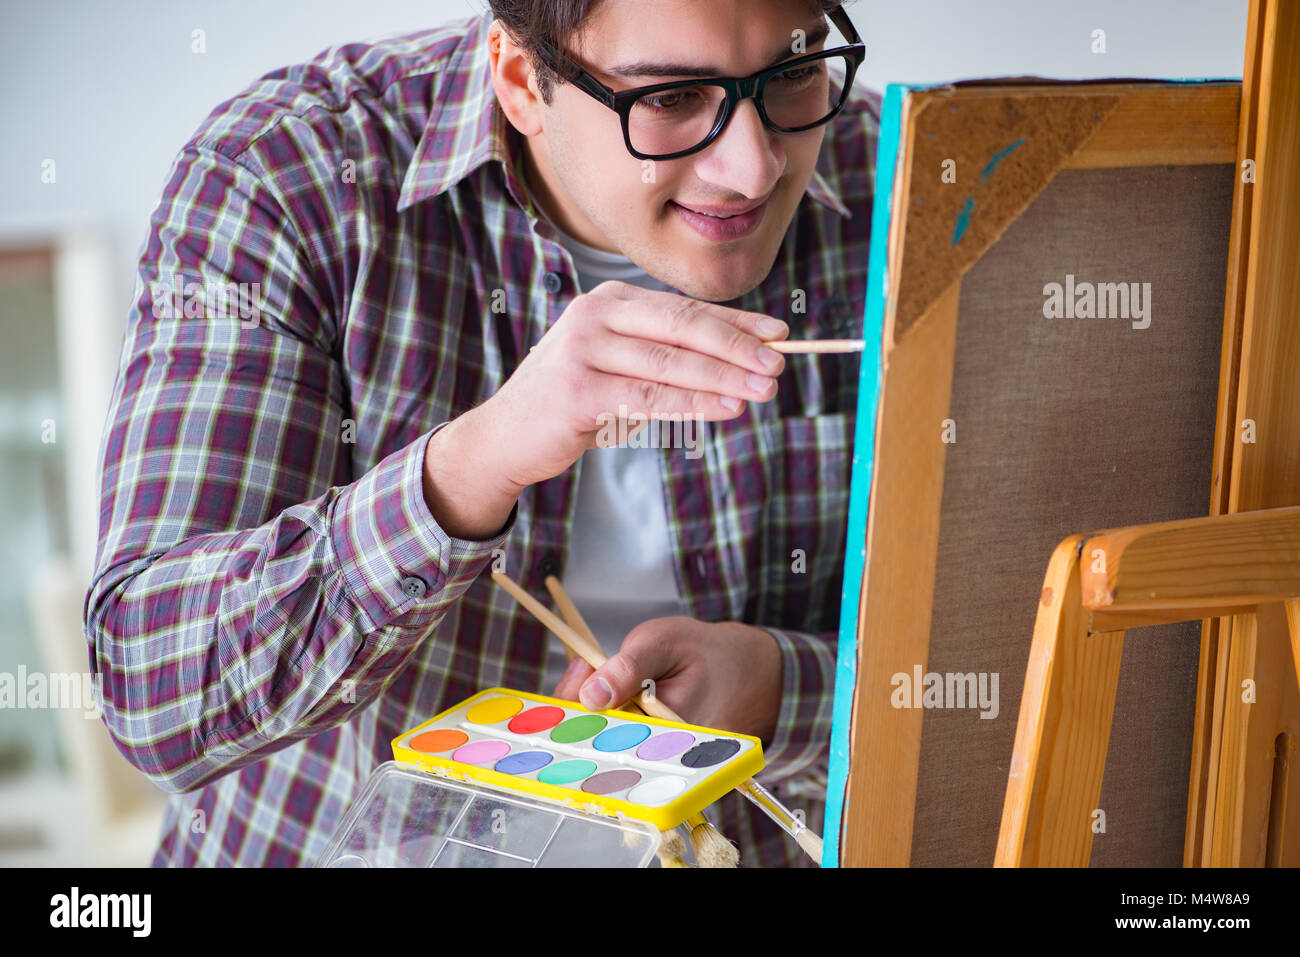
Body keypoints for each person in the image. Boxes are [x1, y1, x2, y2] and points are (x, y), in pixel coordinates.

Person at [85, 0, 878, 867]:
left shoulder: (895, 186)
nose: (753, 166)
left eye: (794, 71)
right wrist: (469, 469)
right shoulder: (287, 174)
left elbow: (998, 665)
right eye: (673, 97)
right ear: (519, 82)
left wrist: (783, 688)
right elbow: (151, 690)